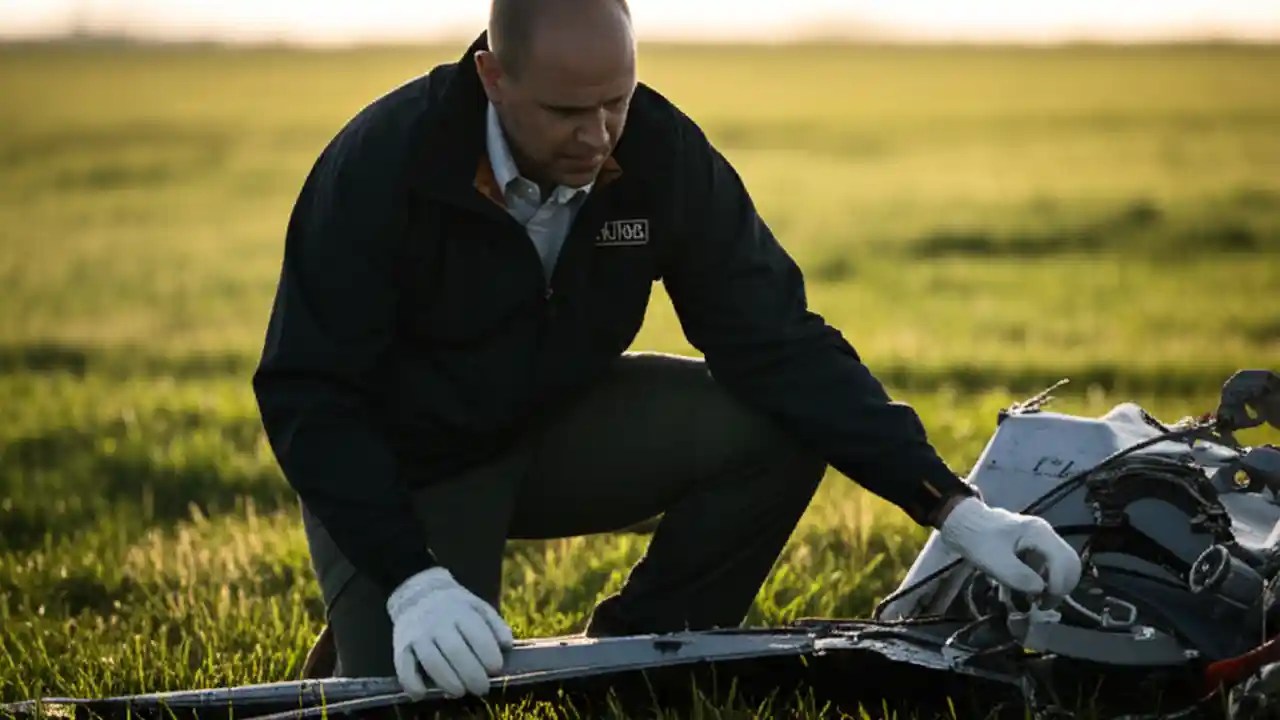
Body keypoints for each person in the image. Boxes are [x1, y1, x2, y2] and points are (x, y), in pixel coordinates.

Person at [252, 0, 1082, 701]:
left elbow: (781, 343)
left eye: (616, 101)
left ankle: (632, 673)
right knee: (425, 692)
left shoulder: (657, 151)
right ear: (491, 78)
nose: (597, 136)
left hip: (552, 428)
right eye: (567, 113)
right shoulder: (384, 163)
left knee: (777, 425)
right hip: (410, 467)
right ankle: (380, 615)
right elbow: (307, 393)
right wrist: (411, 579)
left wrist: (954, 507)